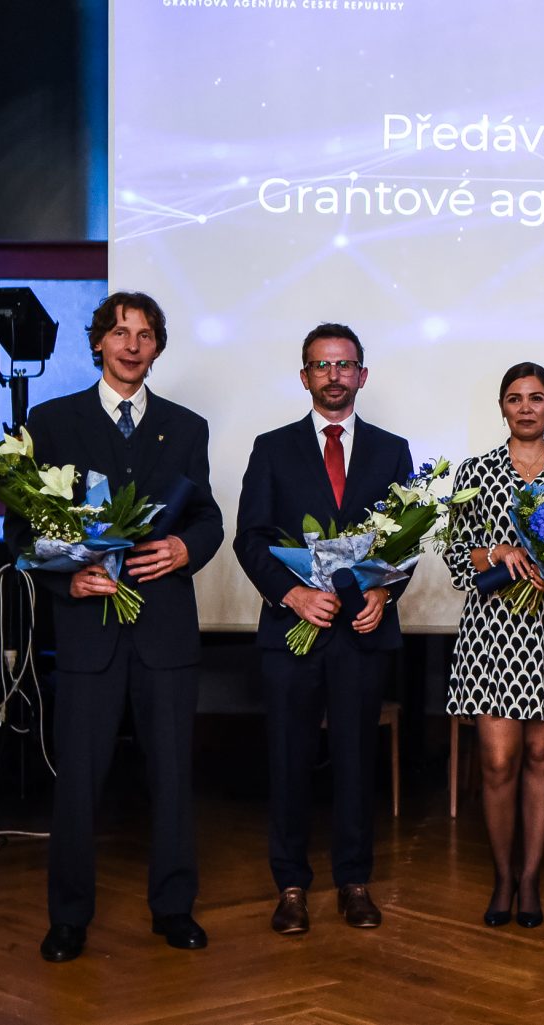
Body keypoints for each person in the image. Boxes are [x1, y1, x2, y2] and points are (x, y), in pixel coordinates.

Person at [5, 291, 224, 963]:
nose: (132, 344)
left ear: (158, 348)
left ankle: (173, 907)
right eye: (120, 332)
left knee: (173, 779)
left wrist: (189, 548)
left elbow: (208, 517)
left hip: (165, 632)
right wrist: (63, 578)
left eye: (146, 334)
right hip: (85, 631)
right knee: (77, 782)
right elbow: (22, 527)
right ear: (98, 342)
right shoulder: (51, 420)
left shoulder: (187, 428)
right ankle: (68, 917)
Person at [233, 323, 413, 936]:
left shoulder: (393, 450)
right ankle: (290, 886)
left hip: (362, 633)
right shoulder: (272, 447)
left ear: (363, 375)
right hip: (293, 630)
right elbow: (250, 539)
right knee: (289, 760)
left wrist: (386, 594)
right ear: (305, 375)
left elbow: (406, 543)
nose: (333, 375)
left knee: (357, 761)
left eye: (344, 365)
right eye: (321, 365)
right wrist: (292, 594)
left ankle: (354, 882)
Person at [444, 363, 544, 929]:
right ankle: (501, 875)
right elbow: (457, 559)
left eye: (537, 398)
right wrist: (500, 553)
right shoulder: (476, 472)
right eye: (515, 398)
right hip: (492, 634)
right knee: (497, 760)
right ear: (502, 408)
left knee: (541, 757)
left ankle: (531, 878)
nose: (527, 407)